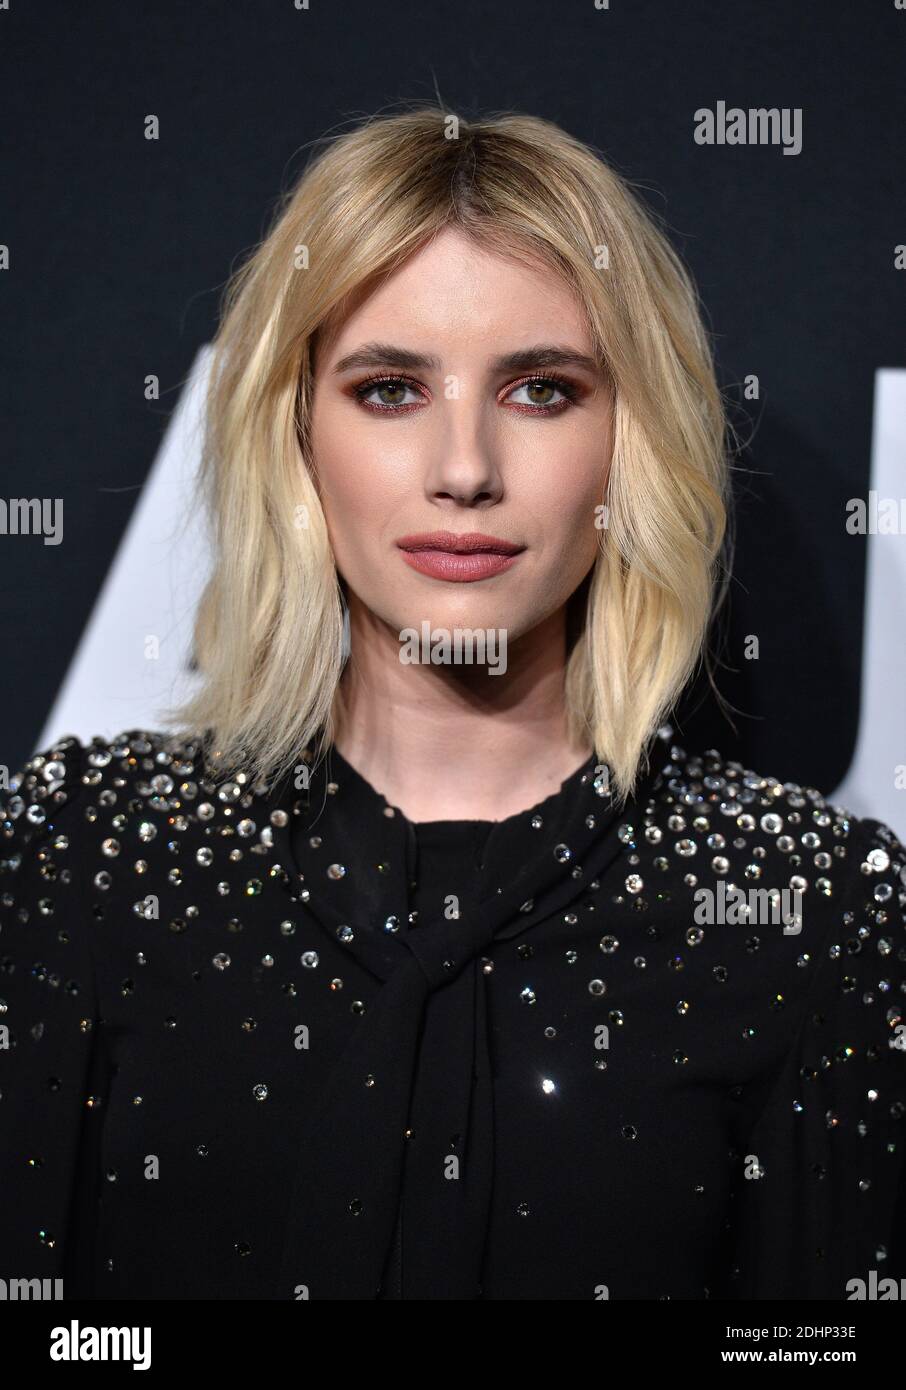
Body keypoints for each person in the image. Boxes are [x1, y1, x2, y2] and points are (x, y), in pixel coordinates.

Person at [1, 107, 904, 1301]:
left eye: (541, 390)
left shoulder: (813, 912)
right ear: (293, 430)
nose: (465, 468)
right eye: (388, 390)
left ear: (633, 437)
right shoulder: (81, 859)